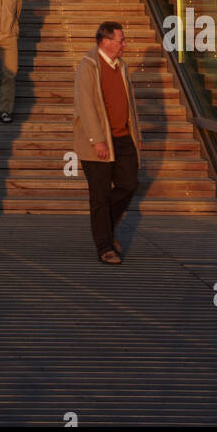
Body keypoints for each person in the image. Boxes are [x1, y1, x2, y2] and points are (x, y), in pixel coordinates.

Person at [74, 21, 142, 264]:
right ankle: (104, 246)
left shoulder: (121, 66)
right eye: (120, 40)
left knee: (129, 184)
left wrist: (136, 136)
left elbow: (129, 103)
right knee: (100, 195)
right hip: (98, 141)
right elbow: (86, 106)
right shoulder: (88, 66)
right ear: (105, 42)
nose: (124, 44)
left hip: (123, 137)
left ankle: (105, 226)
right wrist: (97, 140)